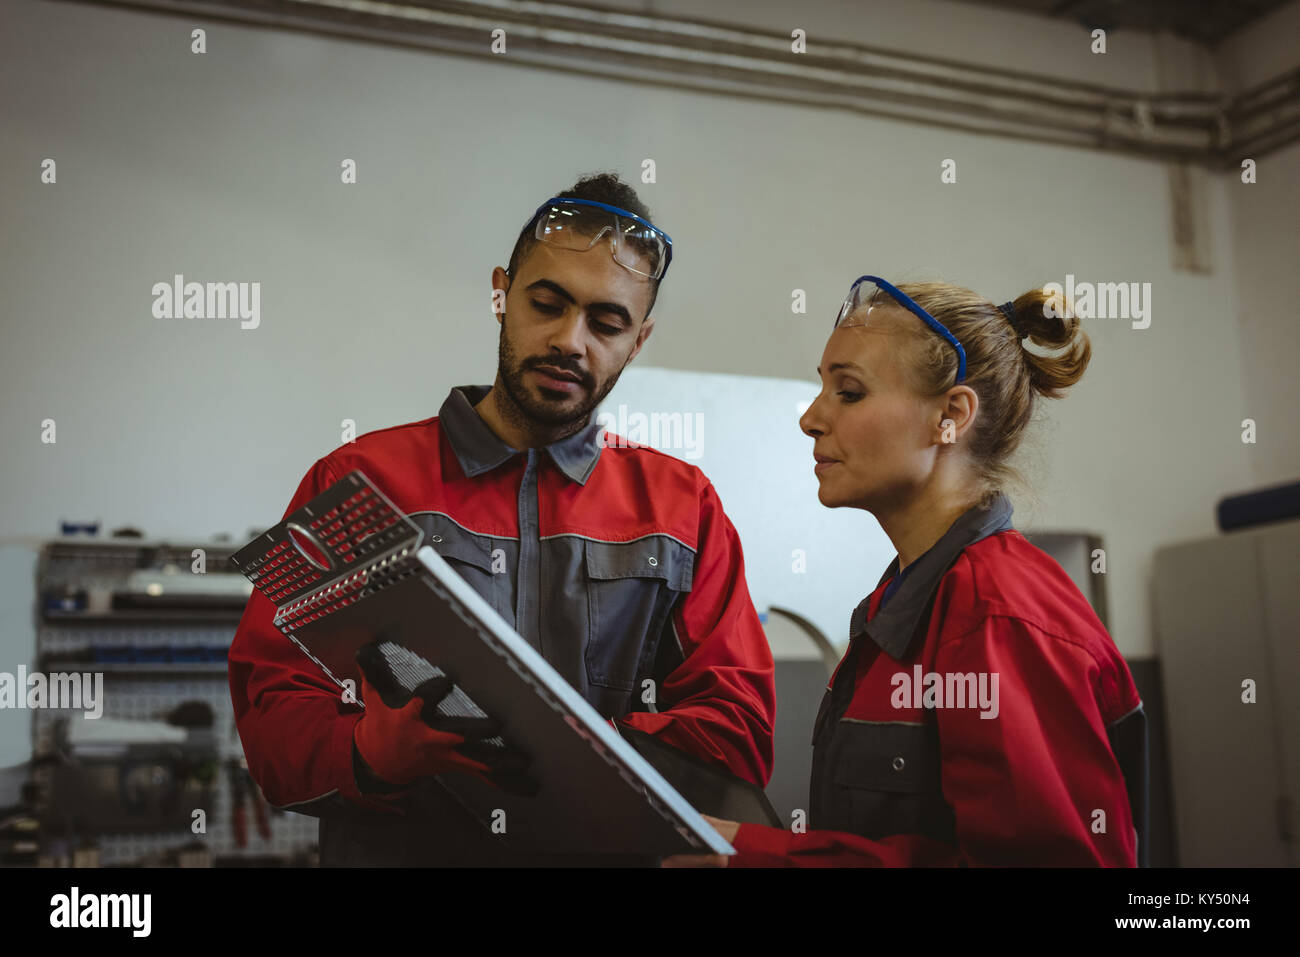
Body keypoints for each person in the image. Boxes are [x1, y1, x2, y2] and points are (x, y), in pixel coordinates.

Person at [228, 173, 776, 865]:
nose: (570, 341)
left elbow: (737, 731)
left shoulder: (684, 506)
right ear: (501, 293)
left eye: (606, 323)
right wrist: (368, 751)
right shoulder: (355, 481)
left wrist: (581, 752)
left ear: (639, 340)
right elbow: (271, 709)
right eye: (546, 303)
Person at [665, 276, 1147, 867]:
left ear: (950, 414)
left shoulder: (997, 613)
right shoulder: (909, 600)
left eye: (849, 392)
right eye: (822, 388)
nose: (811, 419)